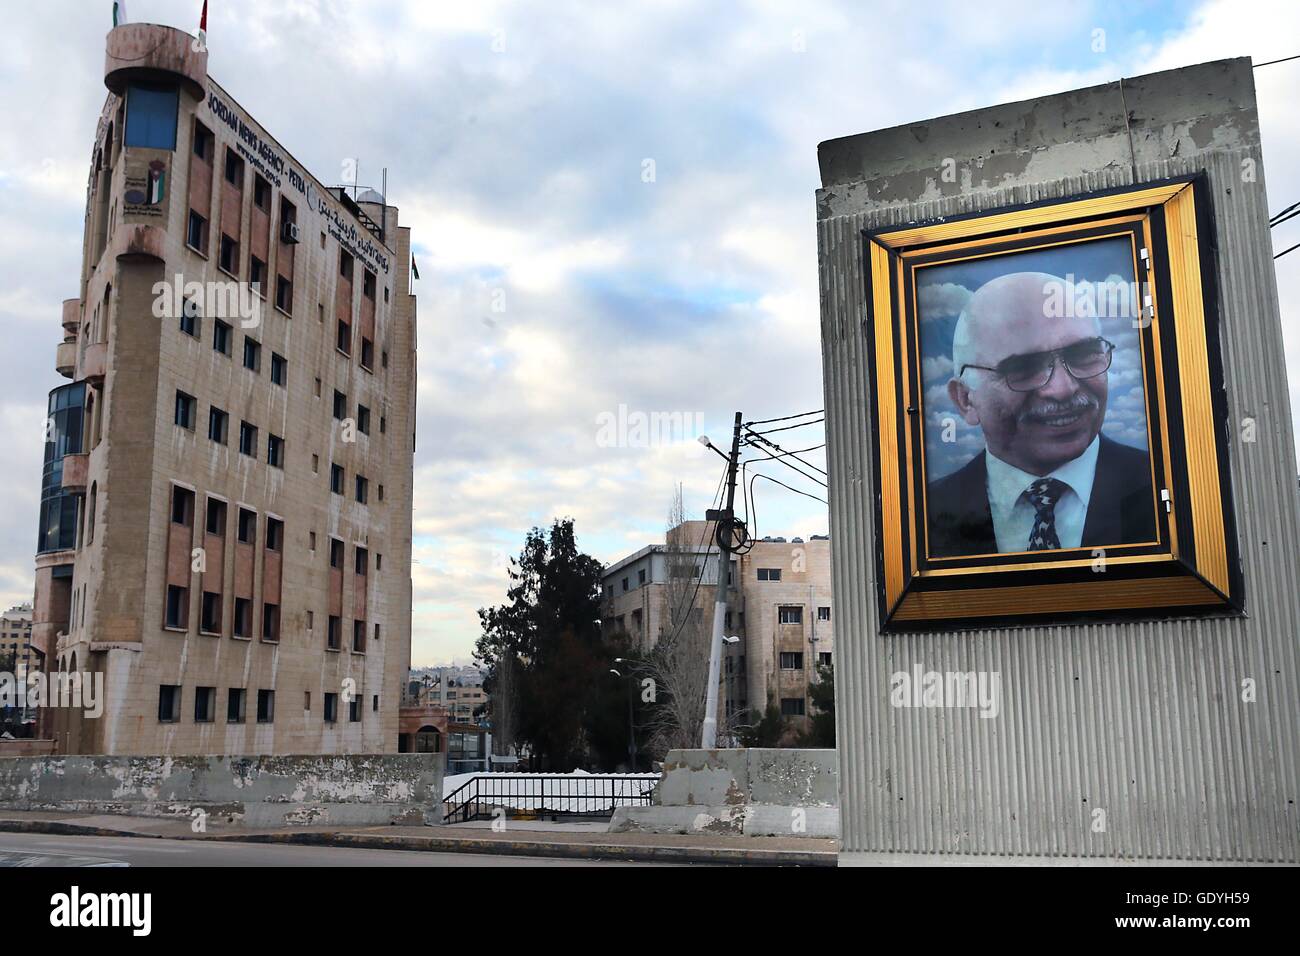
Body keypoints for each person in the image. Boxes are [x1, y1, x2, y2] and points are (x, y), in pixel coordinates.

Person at [927, 271, 1155, 558]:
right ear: (966, 400)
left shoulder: (1166, 487)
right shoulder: (927, 515)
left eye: (1083, 354)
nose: (1062, 389)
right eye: (1023, 369)